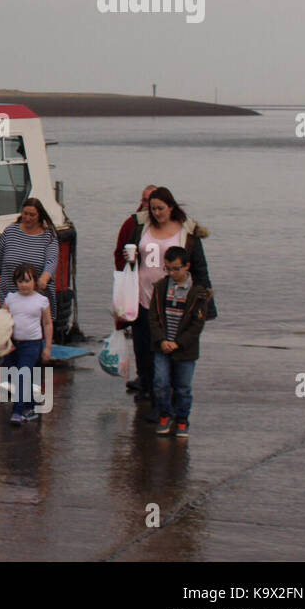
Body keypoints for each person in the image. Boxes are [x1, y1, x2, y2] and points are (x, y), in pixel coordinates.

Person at [127, 186, 216, 420]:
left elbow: (199, 268)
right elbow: (128, 260)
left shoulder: (187, 233)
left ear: (171, 207)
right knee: (146, 354)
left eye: (160, 208)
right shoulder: (140, 227)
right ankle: (157, 405)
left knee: (177, 353)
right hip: (144, 299)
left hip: (177, 302)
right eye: (152, 208)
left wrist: (205, 302)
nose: (156, 213)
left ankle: (176, 407)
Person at [147, 246, 214, 437]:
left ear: (187, 267)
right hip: (162, 346)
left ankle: (183, 419)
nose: (172, 273)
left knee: (183, 386)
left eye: (176, 269)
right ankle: (165, 414)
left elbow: (197, 324)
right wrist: (161, 340)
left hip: (185, 349)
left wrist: (179, 343)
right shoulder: (160, 288)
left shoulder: (198, 293)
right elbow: (153, 317)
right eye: (168, 268)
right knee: (160, 382)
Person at [0, 198, 59, 330]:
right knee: (8, 330)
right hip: (9, 295)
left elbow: (51, 261)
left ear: (40, 216)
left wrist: (44, 277)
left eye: (32, 215)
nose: (27, 218)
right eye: (25, 214)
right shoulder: (10, 232)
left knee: (30, 332)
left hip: (34, 297)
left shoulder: (49, 236)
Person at [113, 185, 157, 397]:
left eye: (152, 200)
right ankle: (144, 377)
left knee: (157, 339)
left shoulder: (171, 226)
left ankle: (157, 382)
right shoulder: (132, 223)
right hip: (135, 288)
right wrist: (126, 274)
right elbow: (119, 253)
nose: (148, 204)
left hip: (158, 290)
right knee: (140, 337)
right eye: (145, 199)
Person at [3, 264, 52, 425]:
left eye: (27, 281)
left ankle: (17, 412)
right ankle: (30, 407)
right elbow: (2, 320)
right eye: (20, 281)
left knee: (22, 375)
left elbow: (47, 324)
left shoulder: (42, 301)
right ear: (15, 282)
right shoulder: (10, 298)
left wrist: (47, 347)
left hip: (32, 344)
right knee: (13, 376)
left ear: (35, 281)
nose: (24, 284)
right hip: (12, 344)